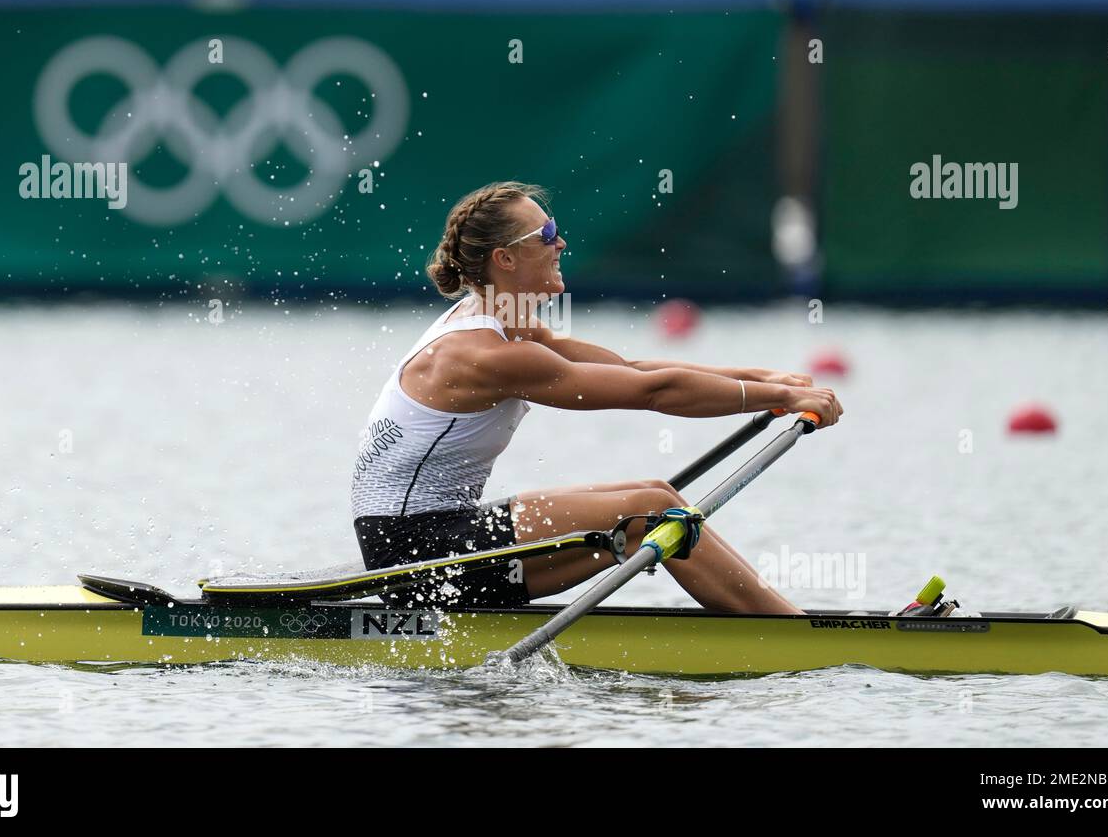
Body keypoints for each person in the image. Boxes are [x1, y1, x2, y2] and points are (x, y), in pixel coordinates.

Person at [350, 182, 842, 613]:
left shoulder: (505, 319)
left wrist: (768, 379)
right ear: (505, 258)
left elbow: (630, 369)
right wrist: (773, 395)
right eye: (545, 236)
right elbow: (653, 392)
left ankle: (780, 617)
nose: (560, 242)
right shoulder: (482, 353)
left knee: (659, 492)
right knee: (649, 512)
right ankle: (794, 635)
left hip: (445, 531)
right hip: (415, 556)